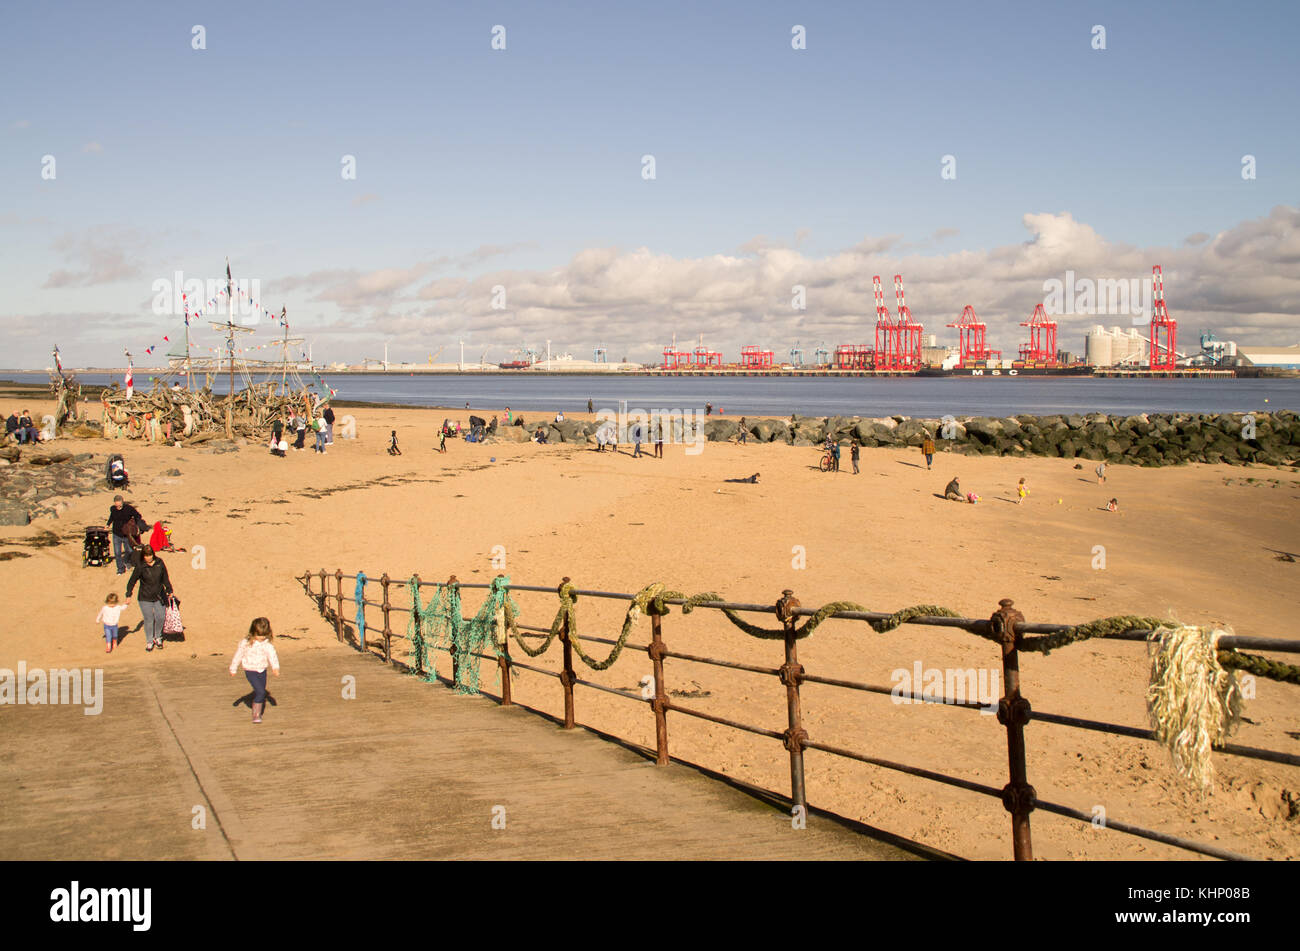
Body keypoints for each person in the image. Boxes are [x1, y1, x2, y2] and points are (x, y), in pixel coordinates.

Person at [229, 617, 281, 724]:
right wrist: (233, 668)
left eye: (263, 636)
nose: (261, 638)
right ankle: (256, 714)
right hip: (250, 670)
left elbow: (272, 656)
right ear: (252, 633)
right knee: (261, 692)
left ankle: (257, 701)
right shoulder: (245, 643)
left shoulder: (267, 644)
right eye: (258, 636)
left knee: (261, 691)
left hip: (262, 670)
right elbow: (238, 655)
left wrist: (275, 667)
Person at [125, 546, 174, 652]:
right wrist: (128, 595)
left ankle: (158, 637)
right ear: (143, 556)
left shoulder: (160, 563)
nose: (148, 558)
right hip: (144, 597)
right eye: (146, 556)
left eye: (150, 555)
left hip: (159, 596)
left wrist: (169, 590)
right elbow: (132, 581)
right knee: (149, 619)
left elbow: (165, 578)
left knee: (161, 617)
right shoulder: (140, 566)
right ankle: (149, 641)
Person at [106, 495, 144, 574]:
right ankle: (120, 569)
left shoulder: (129, 509)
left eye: (119, 505)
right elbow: (111, 517)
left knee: (129, 550)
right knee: (117, 553)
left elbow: (138, 515)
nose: (118, 507)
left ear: (122, 502)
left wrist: (135, 524)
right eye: (116, 505)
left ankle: (126, 561)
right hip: (116, 534)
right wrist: (107, 524)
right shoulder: (113, 509)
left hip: (126, 534)